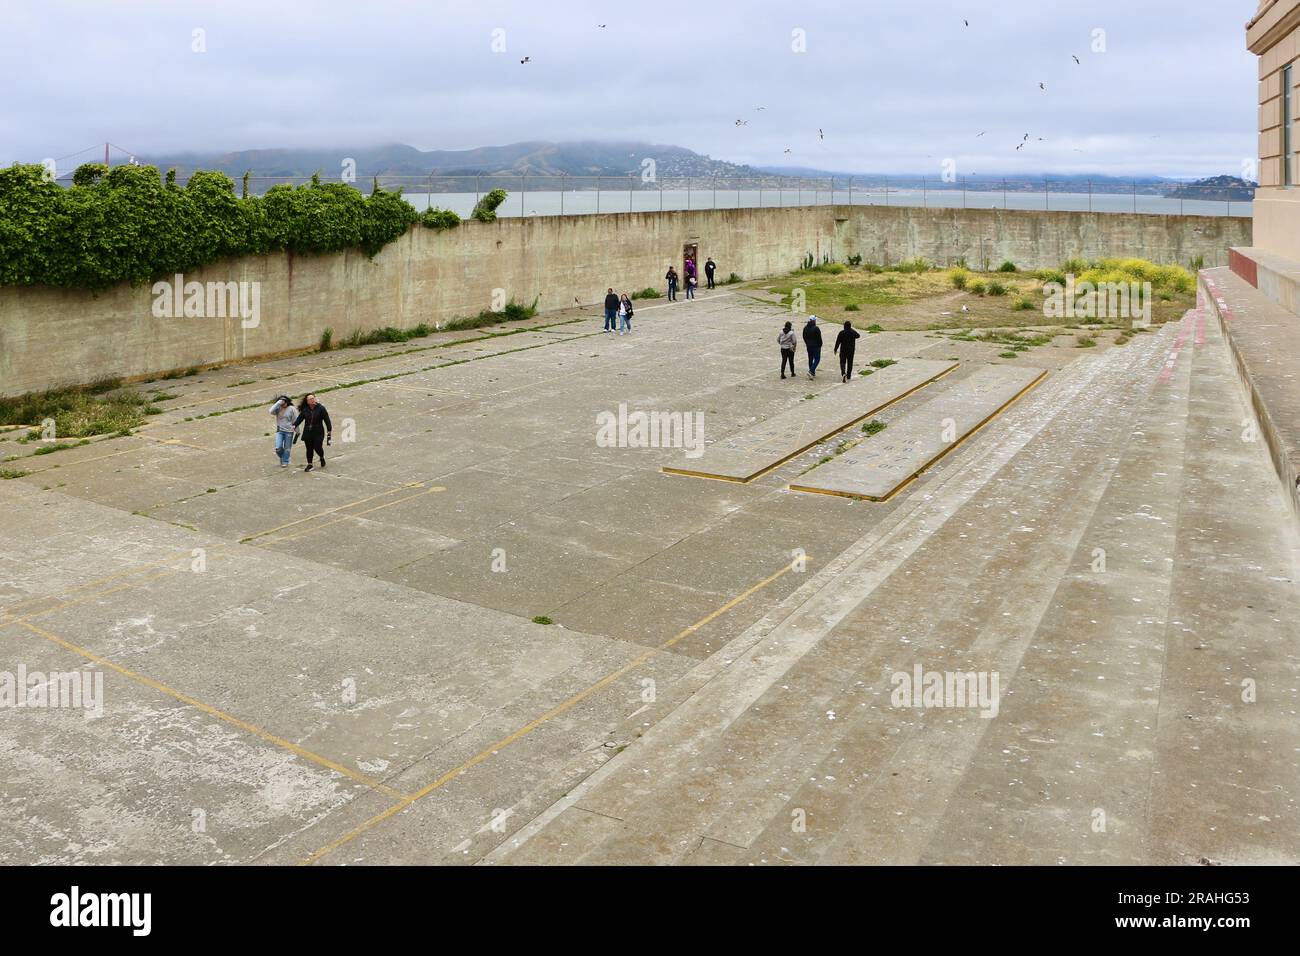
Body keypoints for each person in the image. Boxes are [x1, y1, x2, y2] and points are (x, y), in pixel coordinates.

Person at [294, 393, 333, 472]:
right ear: (307, 401)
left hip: (318, 432)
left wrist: (329, 430)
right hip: (308, 432)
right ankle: (310, 464)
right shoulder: (305, 409)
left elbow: (327, 419)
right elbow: (300, 418)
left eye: (313, 398)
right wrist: (294, 425)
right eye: (310, 399)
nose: (313, 400)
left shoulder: (321, 408)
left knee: (317, 447)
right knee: (309, 449)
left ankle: (321, 457)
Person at [269, 395, 298, 468]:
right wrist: (278, 403)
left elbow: (295, 420)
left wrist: (297, 431)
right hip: (280, 431)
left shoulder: (292, 409)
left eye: (284, 402)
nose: (283, 404)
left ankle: (285, 461)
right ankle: (283, 457)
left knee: (287, 448)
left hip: (289, 431)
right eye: (281, 402)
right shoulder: (278, 408)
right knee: (278, 448)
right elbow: (270, 411)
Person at [802, 315, 823, 379]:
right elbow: (819, 338)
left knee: (810, 359)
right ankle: (811, 371)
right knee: (817, 359)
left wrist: (807, 343)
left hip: (808, 346)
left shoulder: (805, 328)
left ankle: (812, 372)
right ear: (814, 320)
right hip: (816, 346)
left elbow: (804, 337)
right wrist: (820, 344)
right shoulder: (816, 328)